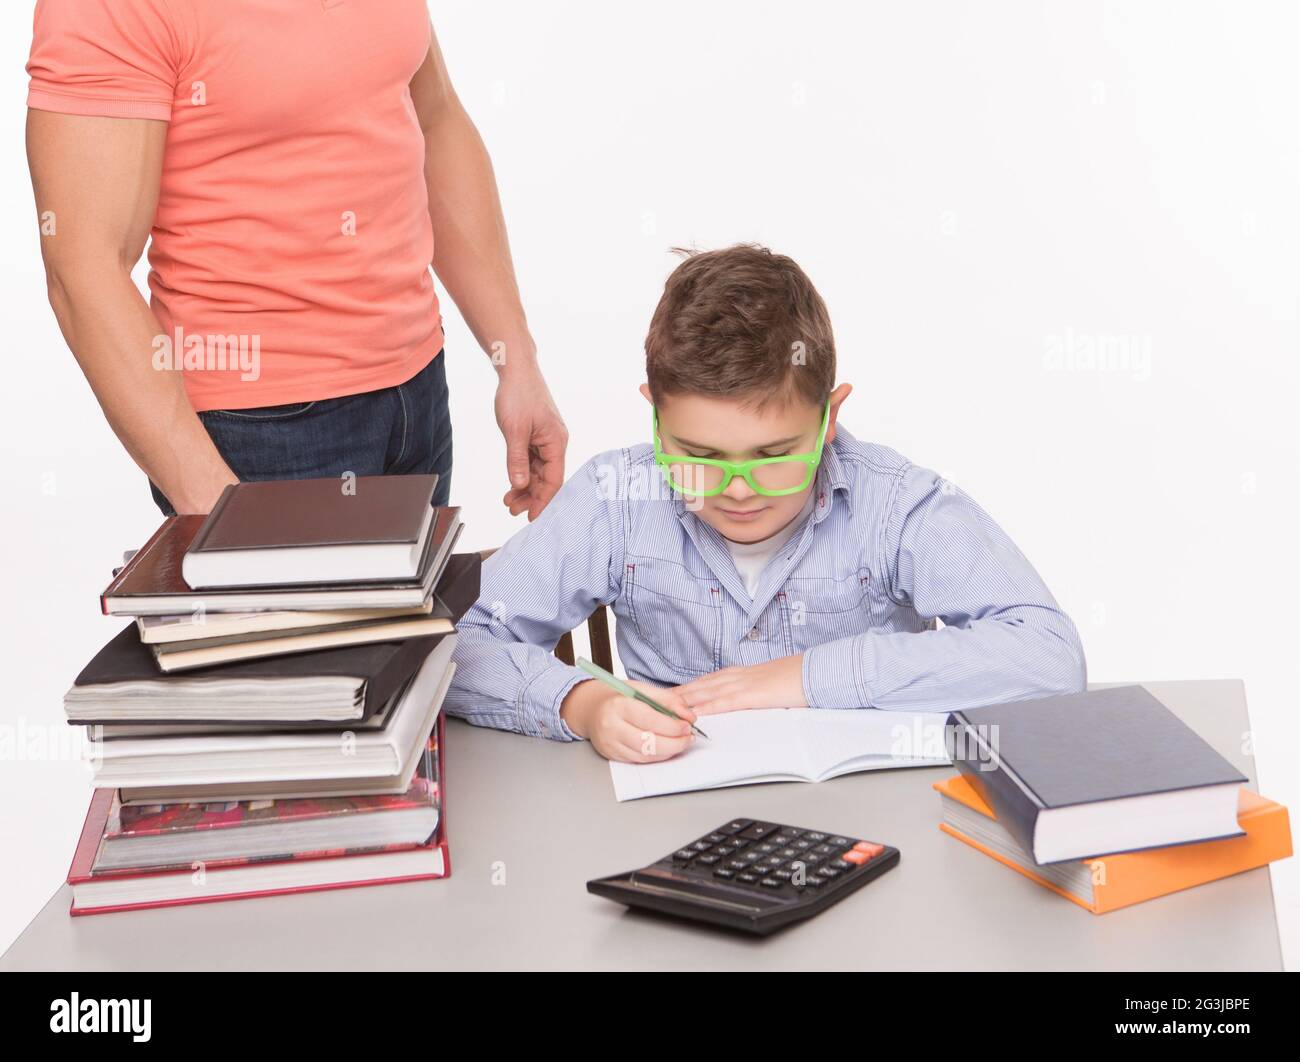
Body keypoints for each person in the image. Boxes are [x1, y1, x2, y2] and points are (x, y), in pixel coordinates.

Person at [442, 244, 1086, 762]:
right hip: (668, 830)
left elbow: (1049, 657)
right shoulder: (616, 500)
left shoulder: (897, 505)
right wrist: (582, 703)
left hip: (872, 828)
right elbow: (453, 644)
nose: (738, 490)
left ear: (829, 419)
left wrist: (804, 678)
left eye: (774, 455)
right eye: (699, 456)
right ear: (655, 421)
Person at [26, 0, 566, 517]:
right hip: (261, 434)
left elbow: (435, 119)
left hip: (418, 392)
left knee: (415, 616)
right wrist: (217, 510)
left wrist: (515, 359)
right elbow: (83, 265)